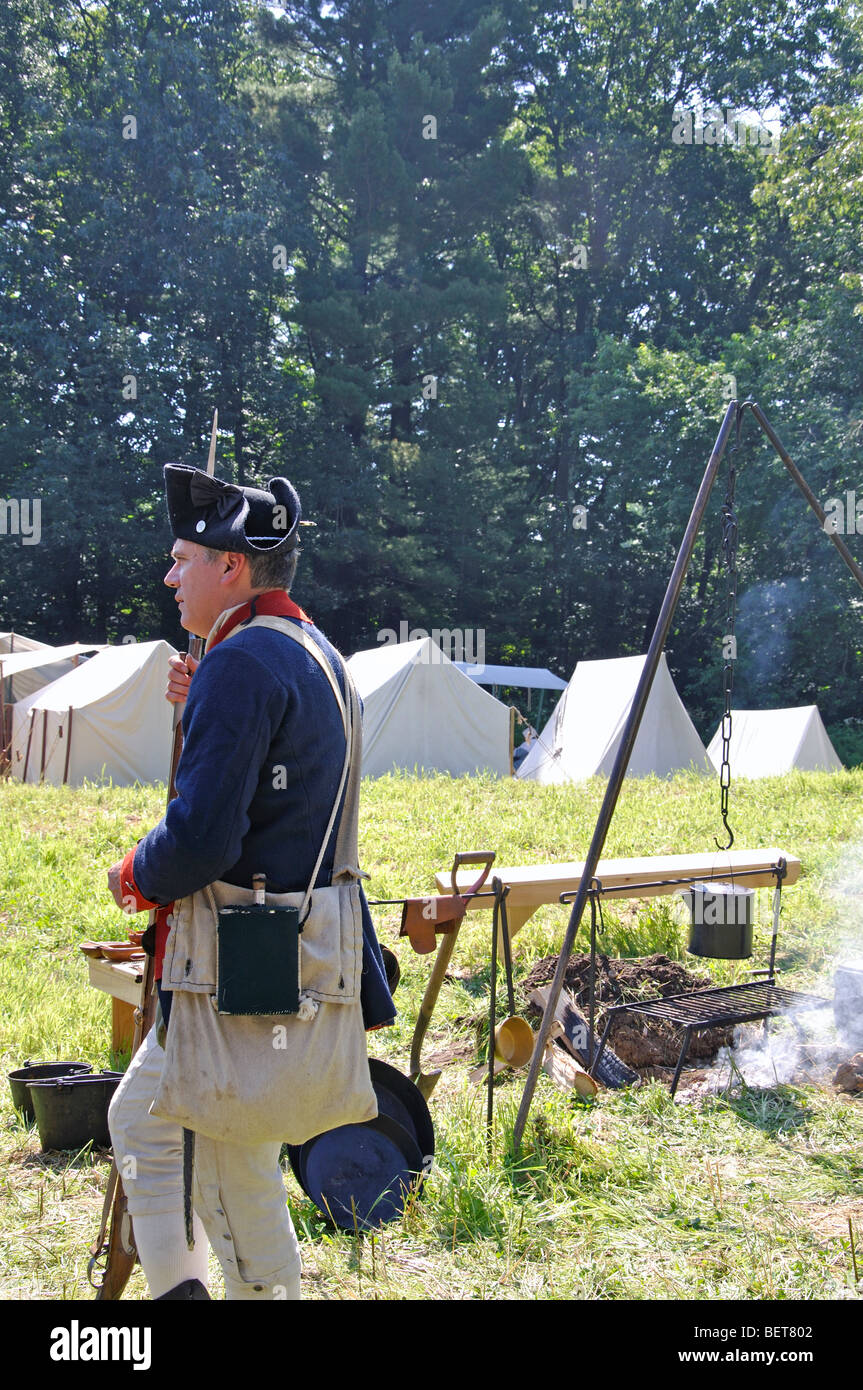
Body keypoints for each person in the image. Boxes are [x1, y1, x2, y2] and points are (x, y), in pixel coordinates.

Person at [106, 463, 395, 1300]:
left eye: (182, 559)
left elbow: (199, 841)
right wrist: (204, 707)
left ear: (231, 567)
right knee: (219, 1151)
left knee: (177, 1140)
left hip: (242, 951)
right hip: (294, 943)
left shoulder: (242, 663)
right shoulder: (315, 655)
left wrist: (134, 873)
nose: (168, 576)